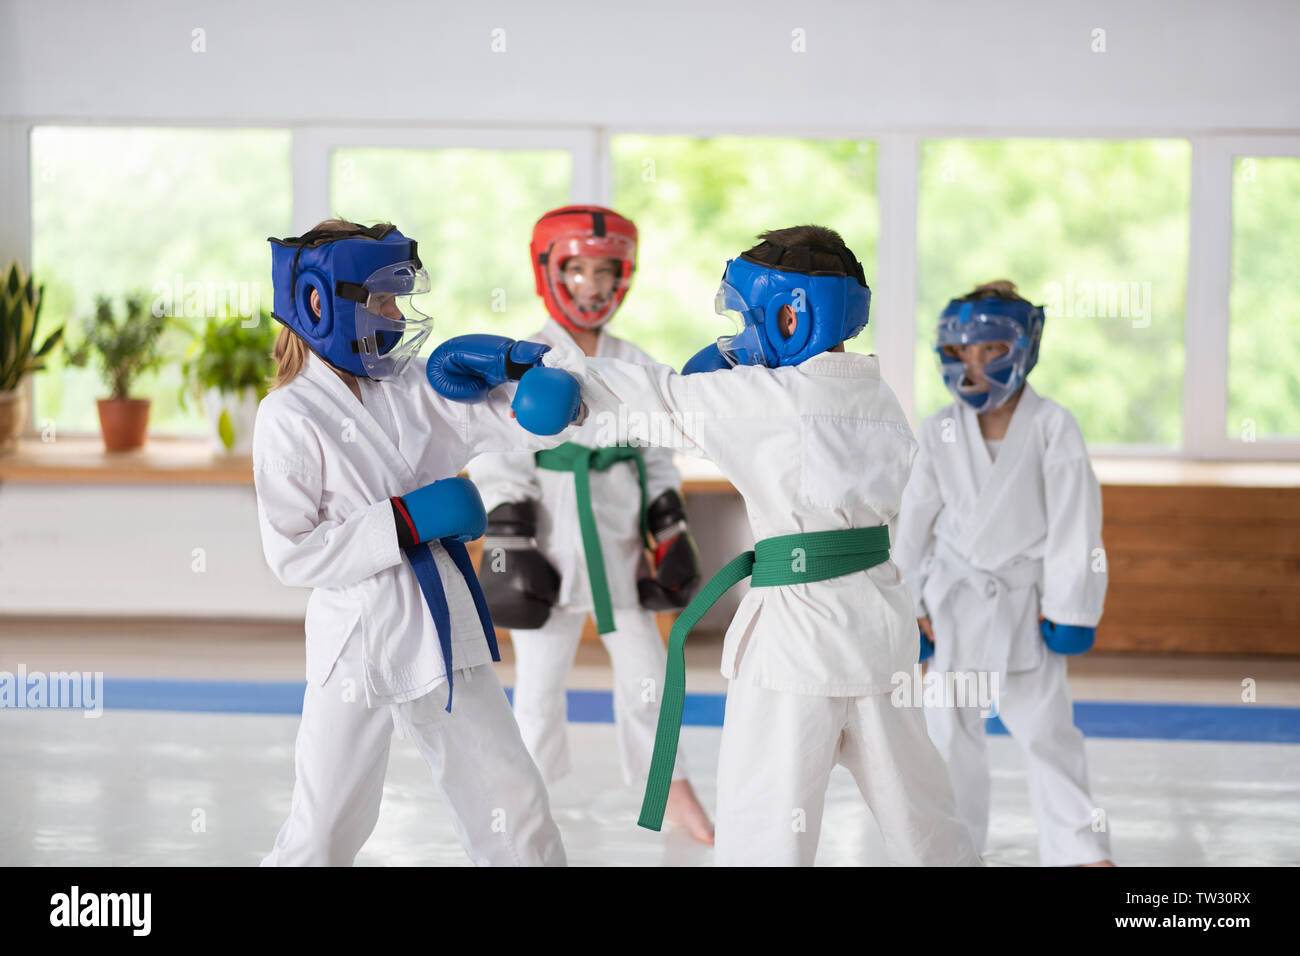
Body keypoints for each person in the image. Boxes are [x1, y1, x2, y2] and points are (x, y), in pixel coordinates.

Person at [428, 226, 980, 867]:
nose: (739, 338)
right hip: (880, 629)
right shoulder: (880, 399)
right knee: (922, 814)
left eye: (748, 319)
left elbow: (644, 399)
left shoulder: (765, 401)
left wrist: (522, 366)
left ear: (789, 314)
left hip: (797, 643)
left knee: (764, 827)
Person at [253, 219, 578, 866]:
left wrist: (520, 369)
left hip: (443, 625)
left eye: (400, 297)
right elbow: (292, 553)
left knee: (513, 809)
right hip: (359, 640)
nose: (397, 316)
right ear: (320, 304)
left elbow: (528, 428)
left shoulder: (414, 383)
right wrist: (403, 521)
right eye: (381, 300)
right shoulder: (289, 416)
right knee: (325, 829)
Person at [467, 206, 713, 842]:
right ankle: (528, 803)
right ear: (549, 271)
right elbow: (498, 451)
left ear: (624, 278)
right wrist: (510, 533)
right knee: (540, 691)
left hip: (621, 555)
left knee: (650, 683)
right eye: (577, 270)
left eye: (606, 273)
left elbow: (659, 454)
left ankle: (672, 788)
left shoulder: (638, 362)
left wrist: (668, 528)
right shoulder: (524, 358)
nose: (593, 286)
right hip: (546, 552)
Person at [894, 279, 1114, 867]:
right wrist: (903, 603)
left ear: (1022, 348)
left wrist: (1072, 605)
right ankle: (954, 849)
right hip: (950, 606)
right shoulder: (939, 428)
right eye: (962, 353)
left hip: (1025, 602)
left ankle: (1080, 849)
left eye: (991, 351)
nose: (976, 366)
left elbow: (1075, 522)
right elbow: (911, 522)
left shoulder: (1053, 425)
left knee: (1048, 733)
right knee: (948, 737)